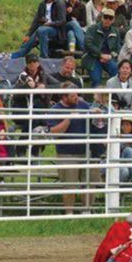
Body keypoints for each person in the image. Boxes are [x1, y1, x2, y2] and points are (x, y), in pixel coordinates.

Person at [47, 86, 97, 214]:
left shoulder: (83, 105)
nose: (77, 97)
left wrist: (95, 113)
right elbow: (54, 132)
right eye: (73, 96)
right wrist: (69, 118)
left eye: (77, 94)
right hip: (66, 153)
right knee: (70, 186)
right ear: (64, 97)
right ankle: (69, 214)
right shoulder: (55, 110)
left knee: (90, 183)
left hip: (86, 150)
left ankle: (87, 211)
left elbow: (92, 119)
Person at [0, 0, 66, 59]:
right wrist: (28, 35)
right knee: (30, 40)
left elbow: (62, 21)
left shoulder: (60, 3)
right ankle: (15, 56)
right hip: (42, 30)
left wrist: (50, 24)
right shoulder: (42, 4)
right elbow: (36, 20)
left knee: (42, 30)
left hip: (57, 31)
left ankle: (44, 57)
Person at [83, 8, 121, 86]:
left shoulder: (115, 31)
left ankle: (113, 96)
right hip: (92, 58)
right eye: (106, 17)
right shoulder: (92, 29)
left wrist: (110, 56)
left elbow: (117, 48)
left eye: (110, 18)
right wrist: (100, 55)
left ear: (113, 20)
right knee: (96, 80)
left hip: (108, 58)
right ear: (102, 18)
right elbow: (87, 44)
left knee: (116, 74)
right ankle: (96, 98)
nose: (107, 20)